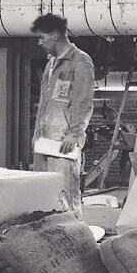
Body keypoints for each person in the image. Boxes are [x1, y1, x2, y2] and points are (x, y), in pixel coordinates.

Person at [31, 13, 95, 217]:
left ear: (55, 35)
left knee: (66, 195)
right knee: (44, 196)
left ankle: (75, 241)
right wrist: (36, 135)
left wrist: (74, 134)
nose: (39, 42)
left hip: (63, 143)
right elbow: (45, 104)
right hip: (44, 142)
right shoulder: (51, 64)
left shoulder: (80, 61)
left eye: (42, 37)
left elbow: (83, 101)